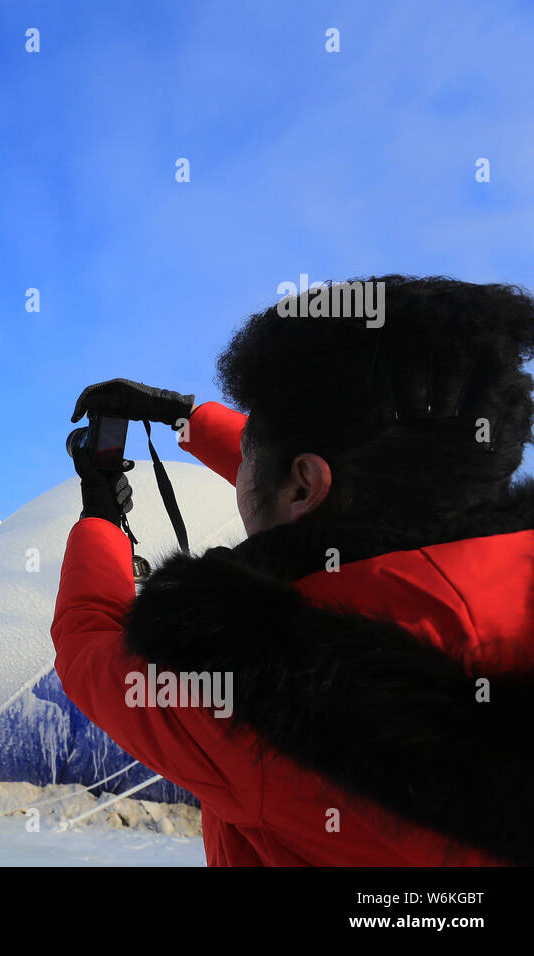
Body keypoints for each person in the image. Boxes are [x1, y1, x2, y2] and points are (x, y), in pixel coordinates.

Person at [51, 275, 534, 865]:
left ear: (304, 481)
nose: (246, 460)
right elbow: (341, 500)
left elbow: (89, 645)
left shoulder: (242, 698)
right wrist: (186, 418)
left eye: (253, 444)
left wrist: (100, 514)